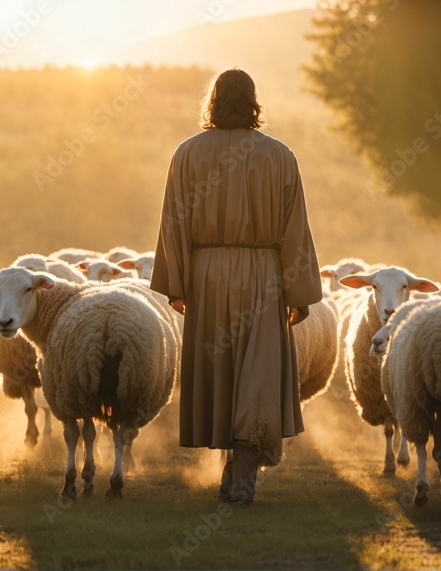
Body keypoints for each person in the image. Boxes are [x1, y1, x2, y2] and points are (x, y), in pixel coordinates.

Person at [150, 68, 322, 505]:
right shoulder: (280, 156)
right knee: (258, 375)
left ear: (212, 101)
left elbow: (174, 222)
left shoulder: (187, 154)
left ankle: (237, 469)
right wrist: (298, 294)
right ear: (253, 101)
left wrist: (178, 283)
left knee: (219, 372)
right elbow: (295, 229)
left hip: (207, 276)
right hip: (263, 277)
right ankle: (242, 471)